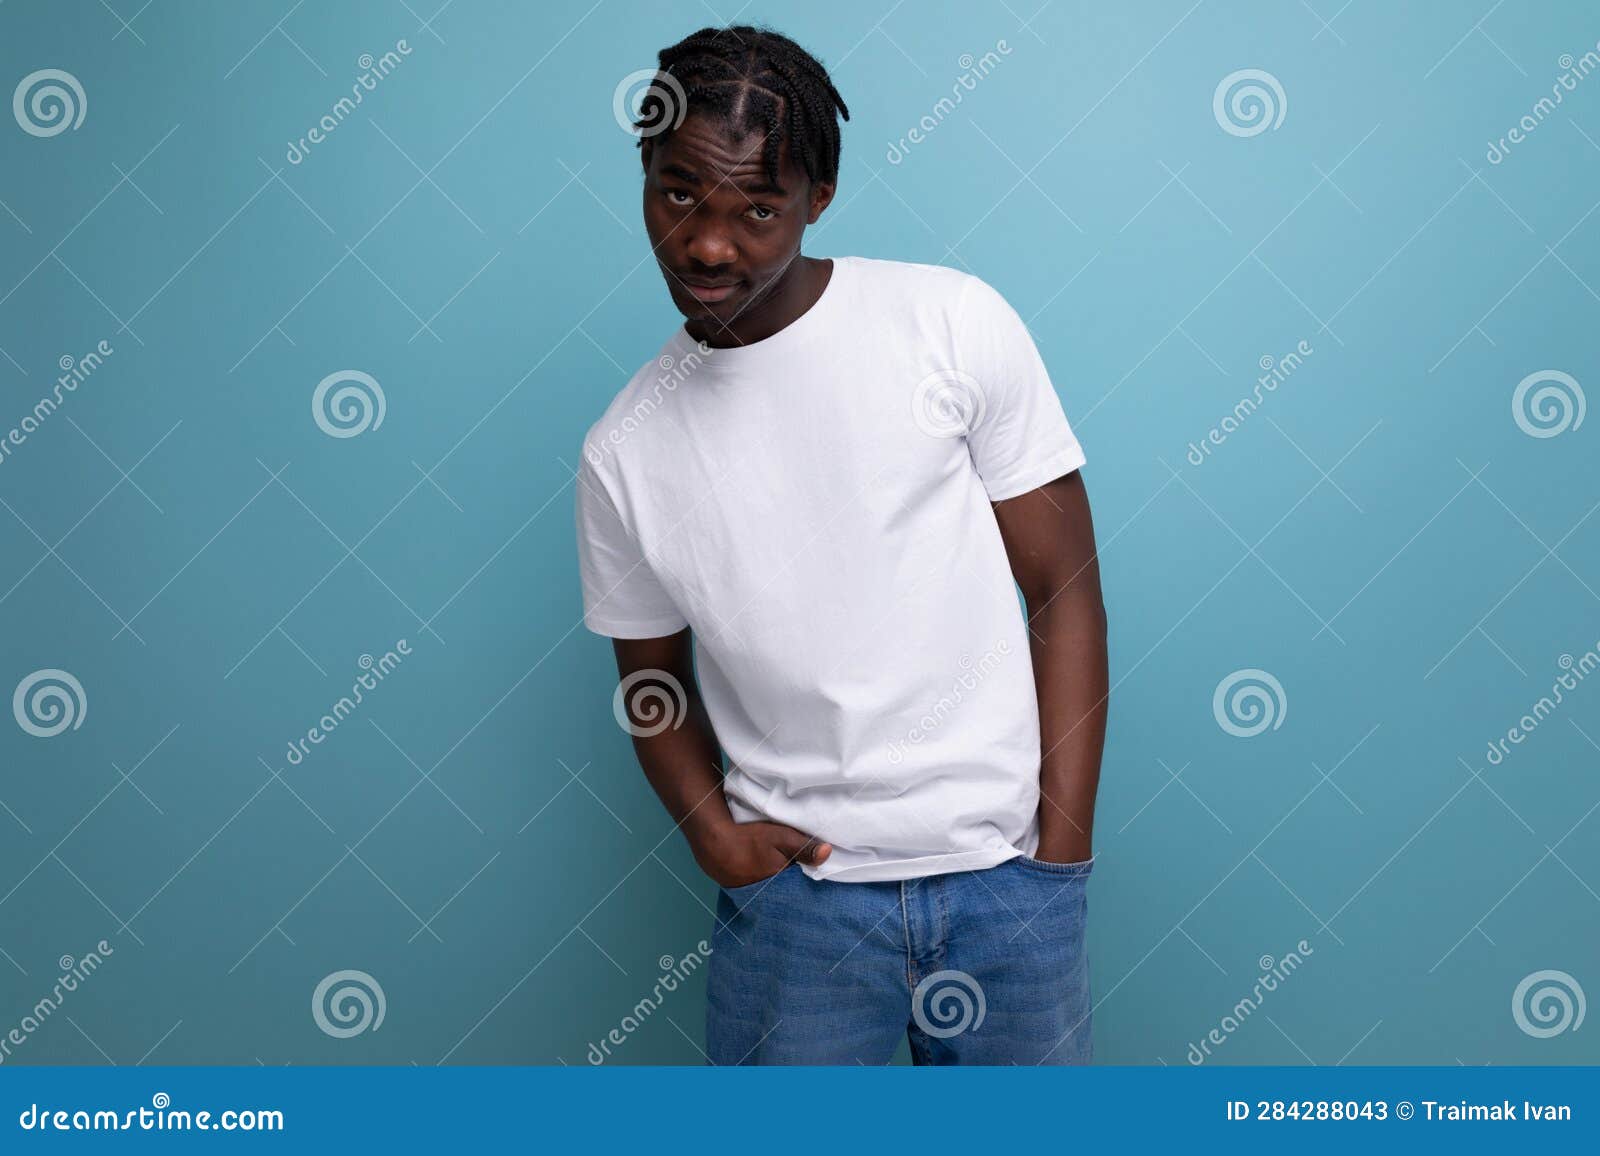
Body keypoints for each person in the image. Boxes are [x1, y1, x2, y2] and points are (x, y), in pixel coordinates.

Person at [575, 23, 1108, 1065]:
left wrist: (1060, 855)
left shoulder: (950, 323)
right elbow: (651, 681)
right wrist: (710, 833)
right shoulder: (623, 448)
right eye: (679, 194)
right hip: (799, 911)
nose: (708, 244)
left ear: (817, 198)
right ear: (645, 177)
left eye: (756, 208)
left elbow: (1063, 585)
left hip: (1005, 882)